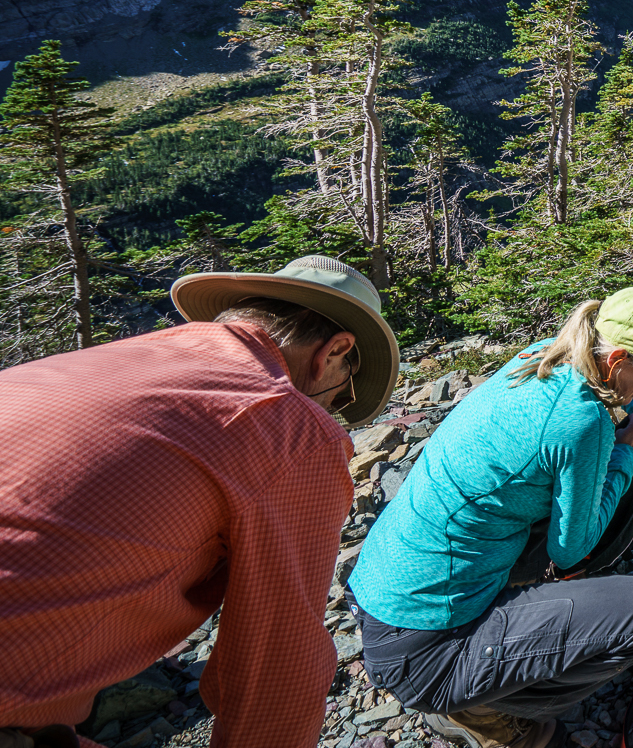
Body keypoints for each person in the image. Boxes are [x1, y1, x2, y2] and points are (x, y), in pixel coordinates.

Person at [1, 255, 398, 748]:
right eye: (342, 392)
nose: (330, 410)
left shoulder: (94, 361)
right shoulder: (286, 424)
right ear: (333, 351)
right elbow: (275, 665)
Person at [348, 287, 633, 748]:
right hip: (427, 649)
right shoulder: (581, 423)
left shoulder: (540, 357)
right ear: (617, 360)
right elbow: (572, 548)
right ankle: (486, 712)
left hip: (383, 592)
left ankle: (519, 645)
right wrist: (626, 454)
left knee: (612, 469)